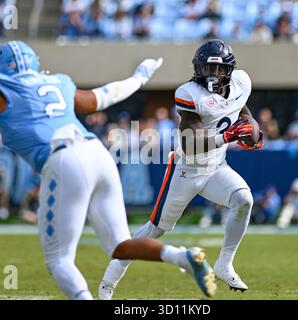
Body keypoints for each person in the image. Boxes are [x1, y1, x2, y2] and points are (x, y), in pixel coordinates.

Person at [0, 41, 216, 300]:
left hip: (63, 157)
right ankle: (182, 256)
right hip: (97, 153)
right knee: (120, 245)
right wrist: (139, 78)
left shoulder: (6, 87)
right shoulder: (58, 82)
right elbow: (102, 97)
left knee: (59, 259)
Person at [101, 39, 264, 299]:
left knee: (244, 199)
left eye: (218, 69)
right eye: (206, 69)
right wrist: (228, 136)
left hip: (217, 167)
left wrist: (253, 129)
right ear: (197, 69)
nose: (212, 75)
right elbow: (191, 143)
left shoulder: (242, 82)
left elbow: (240, 108)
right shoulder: (189, 93)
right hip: (187, 169)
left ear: (229, 71)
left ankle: (224, 264)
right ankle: (109, 279)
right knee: (156, 228)